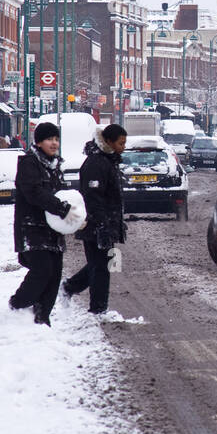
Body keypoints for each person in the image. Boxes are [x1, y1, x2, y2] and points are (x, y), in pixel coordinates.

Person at [9, 120, 74, 326]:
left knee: (55, 274)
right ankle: (17, 305)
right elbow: (34, 193)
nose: (54, 143)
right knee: (43, 270)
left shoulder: (55, 165)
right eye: (49, 139)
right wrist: (60, 207)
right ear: (38, 142)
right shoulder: (30, 163)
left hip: (53, 229)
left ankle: (42, 317)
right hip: (32, 228)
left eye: (56, 139)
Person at [63, 122, 127, 317]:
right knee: (101, 266)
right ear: (108, 141)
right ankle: (98, 308)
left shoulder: (107, 161)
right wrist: (101, 225)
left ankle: (69, 288)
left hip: (103, 223)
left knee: (99, 264)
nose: (123, 147)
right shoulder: (97, 163)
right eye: (121, 143)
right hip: (96, 224)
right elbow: (93, 198)